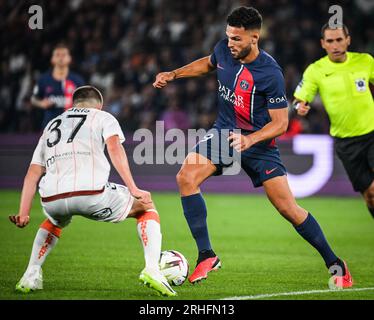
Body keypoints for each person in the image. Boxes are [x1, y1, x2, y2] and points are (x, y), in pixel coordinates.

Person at [153, 6, 352, 288]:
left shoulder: (270, 73)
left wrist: (250, 139)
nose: (230, 43)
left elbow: (281, 123)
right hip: (225, 133)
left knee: (288, 209)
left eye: (237, 39)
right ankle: (207, 255)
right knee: (186, 177)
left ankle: (335, 262)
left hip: (259, 145)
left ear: (254, 38)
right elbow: (209, 63)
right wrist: (174, 74)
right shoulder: (224, 49)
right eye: (229, 36)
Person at [9, 85, 176, 297]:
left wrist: (24, 212)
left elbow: (33, 172)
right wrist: (133, 188)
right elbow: (115, 148)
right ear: (100, 104)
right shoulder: (102, 117)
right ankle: (152, 269)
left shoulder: (52, 124)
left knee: (54, 221)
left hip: (51, 198)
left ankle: (30, 275)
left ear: (72, 104)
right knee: (146, 207)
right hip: (90, 193)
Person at [294, 23, 374, 219]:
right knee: (370, 195)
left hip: (372, 133)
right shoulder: (316, 70)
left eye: (339, 39)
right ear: (323, 44)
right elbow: (299, 98)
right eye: (330, 41)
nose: (335, 45)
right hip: (345, 142)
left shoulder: (365, 61)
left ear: (348, 40)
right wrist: (300, 106)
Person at [31, 43, 85, 129]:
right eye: (57, 55)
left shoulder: (77, 80)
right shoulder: (43, 79)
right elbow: (33, 98)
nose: (61, 58)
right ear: (52, 59)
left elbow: (85, 101)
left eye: (64, 55)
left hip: (72, 128)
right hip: (49, 127)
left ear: (69, 58)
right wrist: (41, 103)